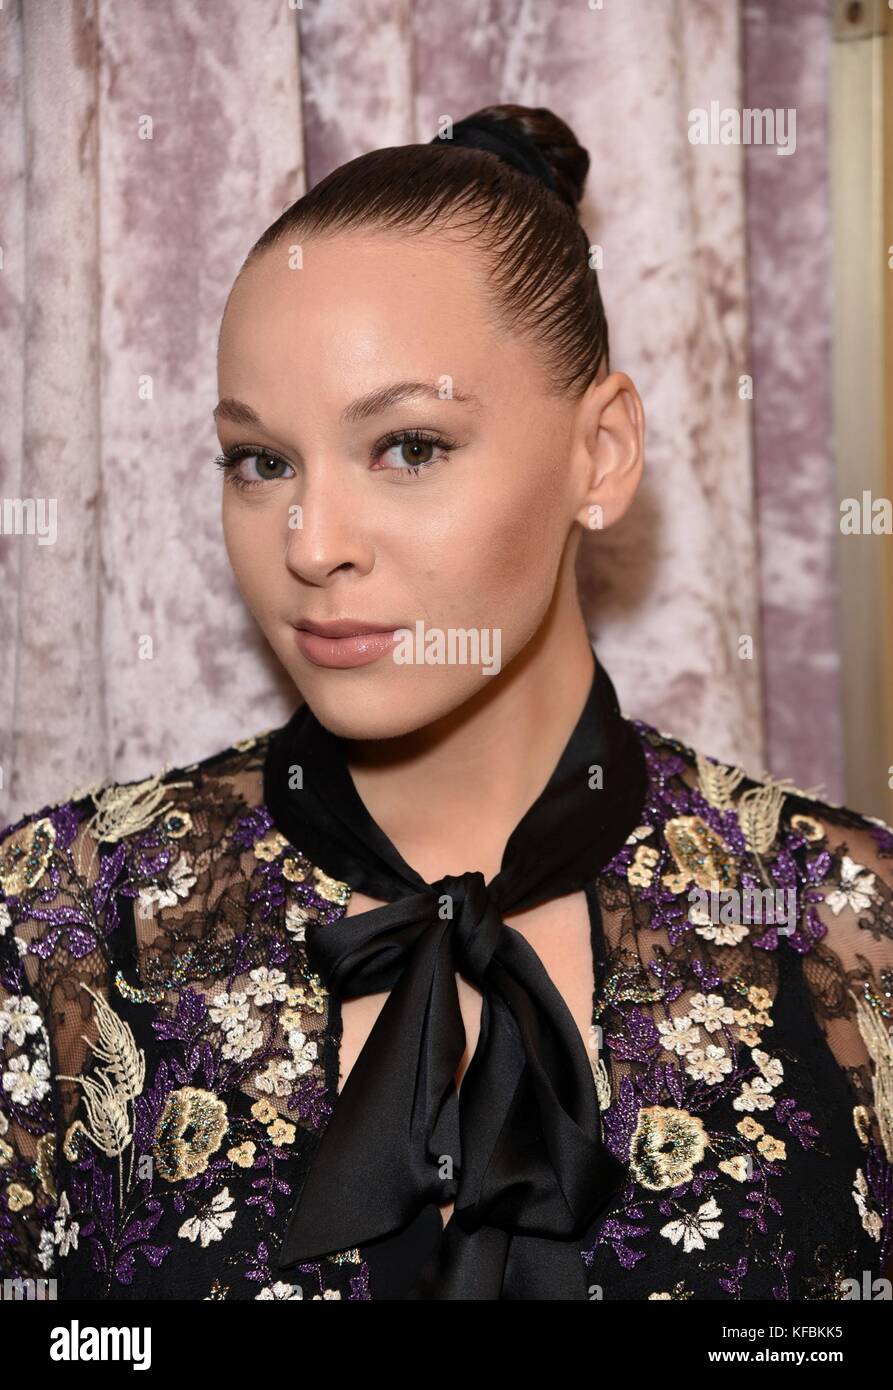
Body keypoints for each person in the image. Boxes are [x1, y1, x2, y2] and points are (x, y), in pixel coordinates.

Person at [2, 104, 891, 1302]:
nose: (310, 543)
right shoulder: (51, 922)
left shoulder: (846, 922)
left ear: (599, 453)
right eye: (261, 462)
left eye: (408, 447)